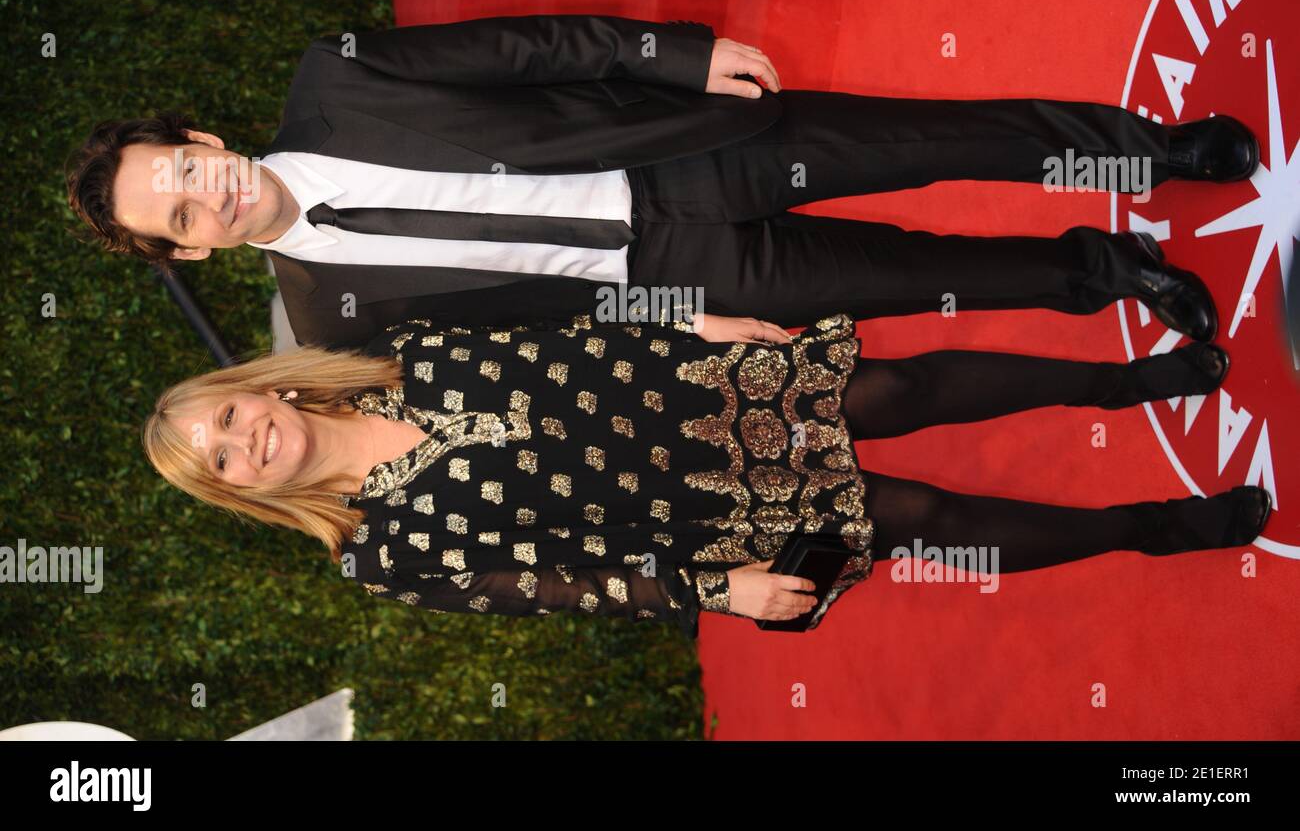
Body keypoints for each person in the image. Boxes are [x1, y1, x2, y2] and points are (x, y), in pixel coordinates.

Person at [66, 14, 1260, 350]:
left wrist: (669, 55)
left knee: (945, 140)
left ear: (205, 139)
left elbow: (521, 50)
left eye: (184, 171)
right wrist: (683, 319)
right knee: (925, 276)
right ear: (193, 251)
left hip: (682, 147)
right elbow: (539, 323)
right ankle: (1112, 272)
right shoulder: (334, 313)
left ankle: (1152, 152)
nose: (204, 197)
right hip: (680, 269)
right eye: (179, 218)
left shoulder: (332, 78)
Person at [141, 307, 1272, 640]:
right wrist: (715, 589)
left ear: (264, 389)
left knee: (912, 388)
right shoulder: (376, 554)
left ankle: (1137, 379)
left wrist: (691, 316)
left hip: (705, 387)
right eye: (225, 461)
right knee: (923, 515)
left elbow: (566, 326)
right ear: (238, 489)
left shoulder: (405, 352)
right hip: (710, 521)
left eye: (230, 417)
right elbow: (561, 586)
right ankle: (1158, 525)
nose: (247, 442)